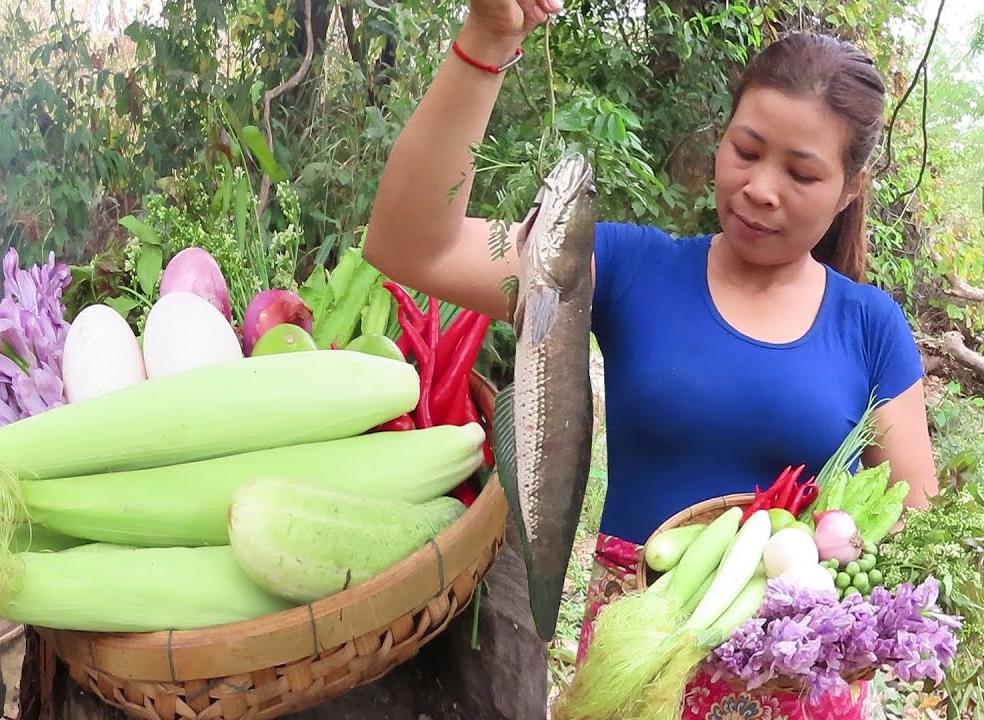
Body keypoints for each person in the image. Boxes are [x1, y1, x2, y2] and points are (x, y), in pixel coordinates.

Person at [361, 1, 939, 717]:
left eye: (801, 172)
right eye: (747, 150)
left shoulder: (871, 325)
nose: (761, 187)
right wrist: (488, 41)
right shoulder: (617, 265)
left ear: (851, 188)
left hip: (802, 678)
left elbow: (915, 526)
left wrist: (819, 586)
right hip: (631, 680)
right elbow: (410, 245)